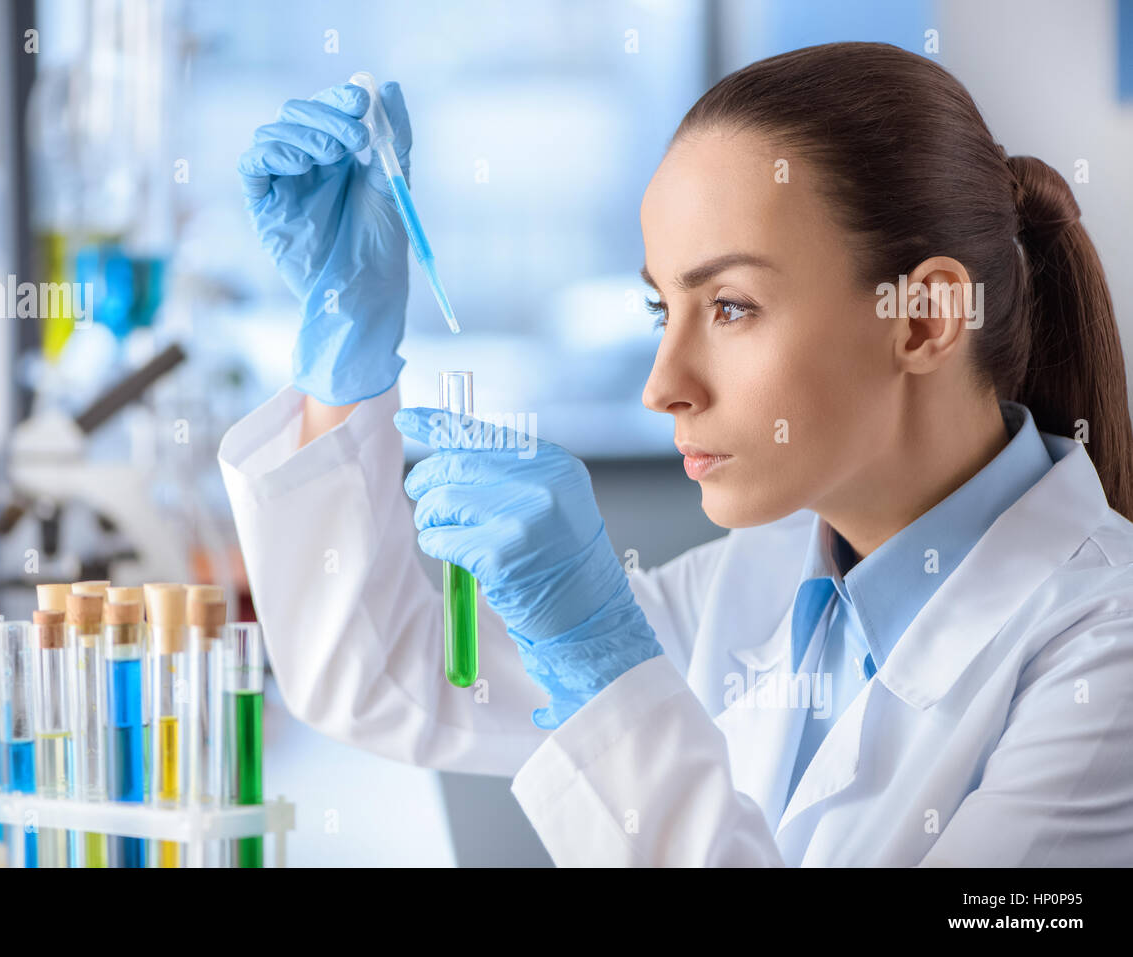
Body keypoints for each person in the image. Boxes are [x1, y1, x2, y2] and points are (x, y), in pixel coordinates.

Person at [222, 42, 1133, 866]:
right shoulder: (763, 587)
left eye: (730, 306)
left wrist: (607, 667)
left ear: (925, 317)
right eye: (664, 310)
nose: (663, 384)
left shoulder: (1105, 663)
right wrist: (349, 345)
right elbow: (392, 681)